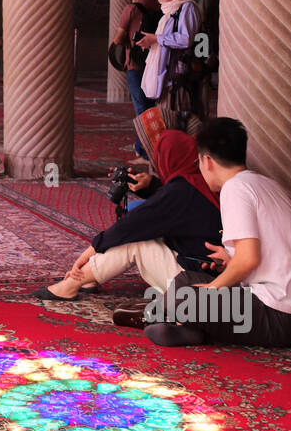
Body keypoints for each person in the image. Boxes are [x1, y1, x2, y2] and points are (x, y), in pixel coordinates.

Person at [139, 117, 291, 348]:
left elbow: (249, 259)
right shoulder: (263, 183)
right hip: (290, 314)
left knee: (184, 297)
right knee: (185, 281)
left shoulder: (234, 188)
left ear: (207, 160)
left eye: (198, 161)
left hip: (276, 315)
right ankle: (185, 327)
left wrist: (213, 289)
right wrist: (230, 260)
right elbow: (260, 256)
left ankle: (178, 321)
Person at [34, 129, 221, 303]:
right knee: (141, 227)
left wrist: (91, 250)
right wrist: (151, 185)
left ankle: (70, 285)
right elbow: (172, 208)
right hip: (212, 277)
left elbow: (135, 224)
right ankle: (89, 278)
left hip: (197, 286)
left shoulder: (182, 190)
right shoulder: (199, 182)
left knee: (135, 241)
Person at [136, 0, 201, 130]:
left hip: (179, 76)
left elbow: (186, 39)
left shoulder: (186, 7)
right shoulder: (168, 11)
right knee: (167, 121)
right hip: (166, 77)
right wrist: (152, 42)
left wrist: (157, 38)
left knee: (179, 122)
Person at [111, 0, 160, 154]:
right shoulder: (160, 8)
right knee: (152, 107)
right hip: (155, 65)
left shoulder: (131, 9)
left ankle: (144, 150)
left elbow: (118, 37)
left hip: (136, 65)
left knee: (141, 108)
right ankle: (151, 148)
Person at [195, 0, 220, 113]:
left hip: (205, 42)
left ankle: (202, 114)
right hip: (216, 41)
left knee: (202, 76)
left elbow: (200, 21)